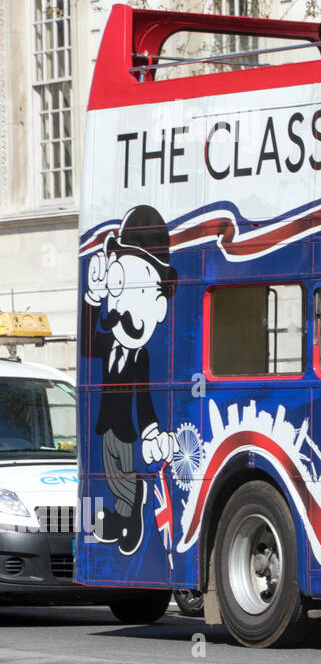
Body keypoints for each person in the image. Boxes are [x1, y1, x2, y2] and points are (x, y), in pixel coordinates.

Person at [82, 205, 178, 555]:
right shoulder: (106, 342)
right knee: (108, 471)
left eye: (137, 293)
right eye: (119, 288)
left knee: (122, 470)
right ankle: (124, 516)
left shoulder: (143, 356)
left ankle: (133, 497)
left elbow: (146, 398)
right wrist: (92, 298)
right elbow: (87, 342)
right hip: (106, 423)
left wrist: (152, 430)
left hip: (127, 428)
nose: (121, 307)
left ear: (158, 306)